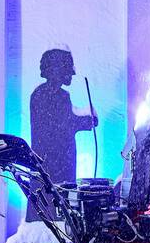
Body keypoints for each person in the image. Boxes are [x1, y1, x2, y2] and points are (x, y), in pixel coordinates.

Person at [26, 48, 99, 221]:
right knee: (53, 202)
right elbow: (59, 126)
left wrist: (84, 121)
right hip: (52, 161)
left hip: (58, 160)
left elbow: (63, 123)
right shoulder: (44, 95)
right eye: (68, 68)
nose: (72, 74)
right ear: (57, 69)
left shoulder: (57, 95)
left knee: (58, 201)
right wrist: (84, 122)